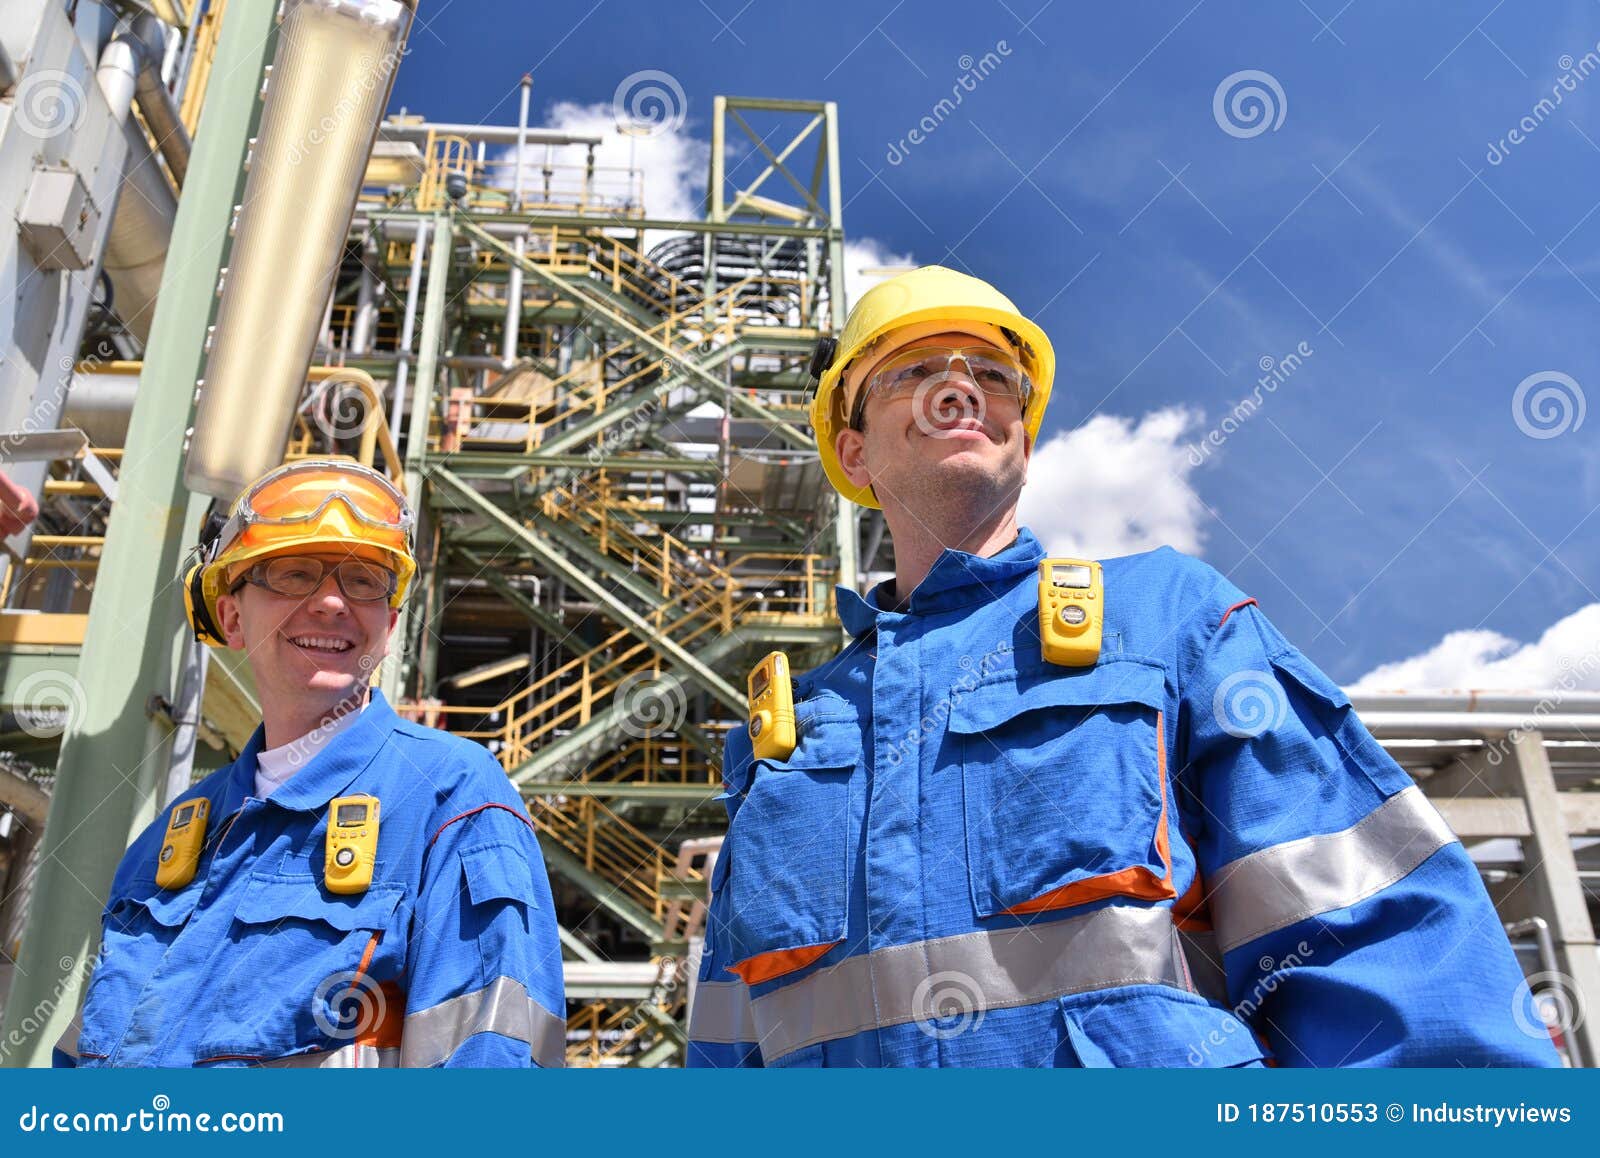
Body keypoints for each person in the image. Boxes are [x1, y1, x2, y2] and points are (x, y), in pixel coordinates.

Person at [686, 265, 1561, 1068]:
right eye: (912, 371)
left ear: (1021, 439)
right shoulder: (785, 744)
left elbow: (1370, 936)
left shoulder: (1168, 619)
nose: (960, 387)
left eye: (994, 376)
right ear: (854, 453)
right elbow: (726, 1048)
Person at [53, 459, 565, 1067]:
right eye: (293, 573)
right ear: (232, 616)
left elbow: (492, 1081)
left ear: (389, 625)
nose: (330, 602)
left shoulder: (450, 797)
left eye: (364, 580)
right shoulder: (168, 841)